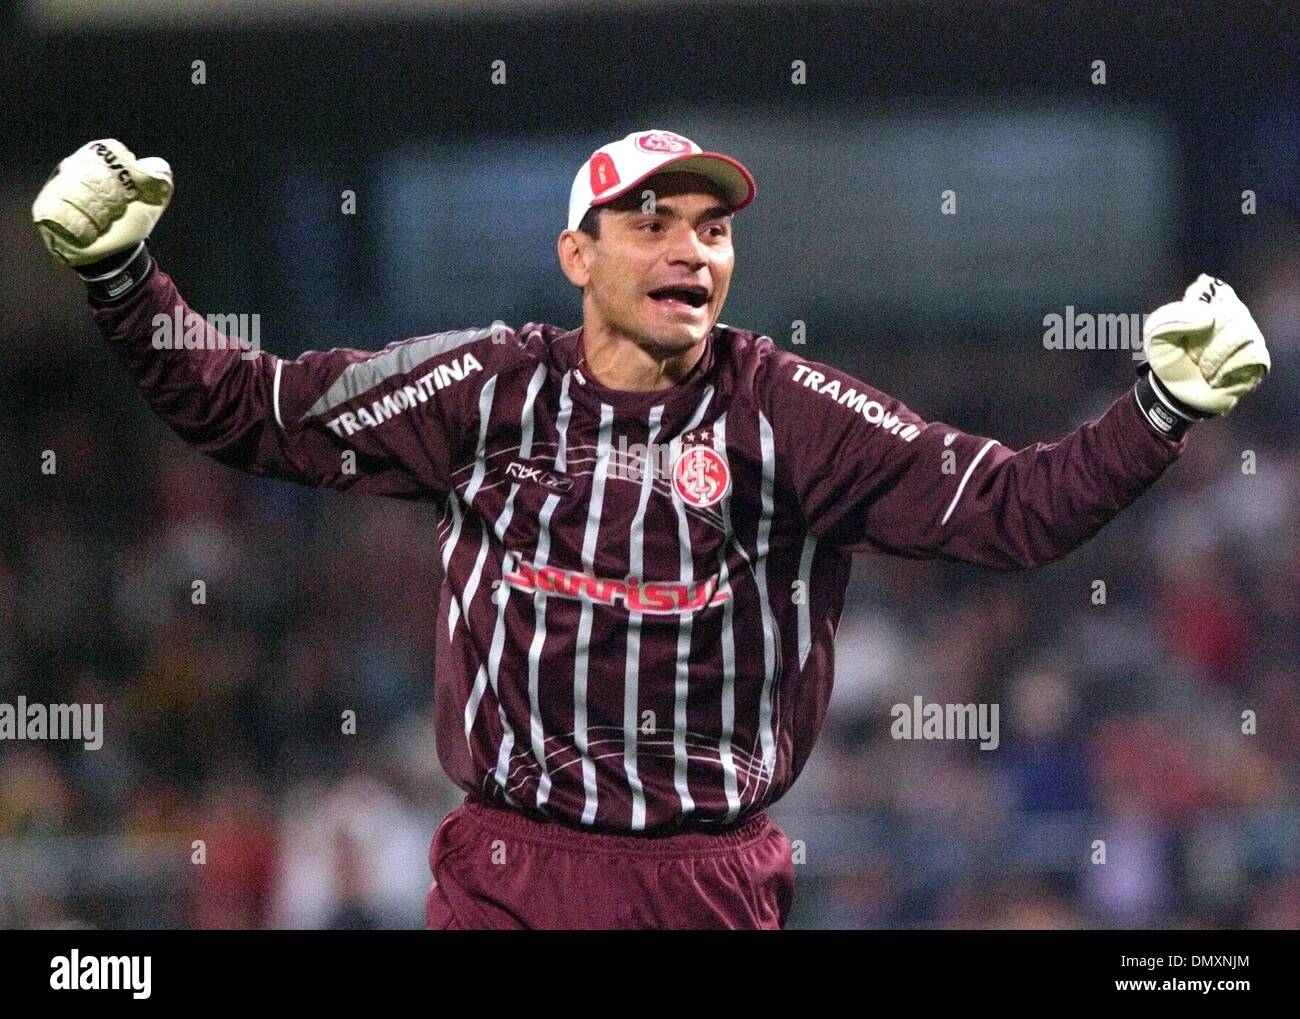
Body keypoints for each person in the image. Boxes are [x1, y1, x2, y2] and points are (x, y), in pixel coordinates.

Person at [32, 130, 1271, 929]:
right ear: (577, 253)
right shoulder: (483, 388)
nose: (692, 249)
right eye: (653, 223)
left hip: (705, 885)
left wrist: (1158, 406)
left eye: (713, 229)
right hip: (509, 873)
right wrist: (124, 282)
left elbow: (1013, 507)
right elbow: (255, 411)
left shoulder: (792, 413)